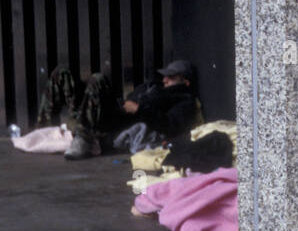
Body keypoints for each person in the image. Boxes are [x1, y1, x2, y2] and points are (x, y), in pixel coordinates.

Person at [36, 60, 202, 160]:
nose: (165, 79)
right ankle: (44, 127)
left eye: (171, 76)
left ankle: (84, 138)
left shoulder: (184, 100)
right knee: (62, 72)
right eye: (165, 75)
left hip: (116, 121)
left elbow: (170, 125)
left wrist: (139, 110)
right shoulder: (155, 86)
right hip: (110, 109)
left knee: (97, 79)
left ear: (185, 81)